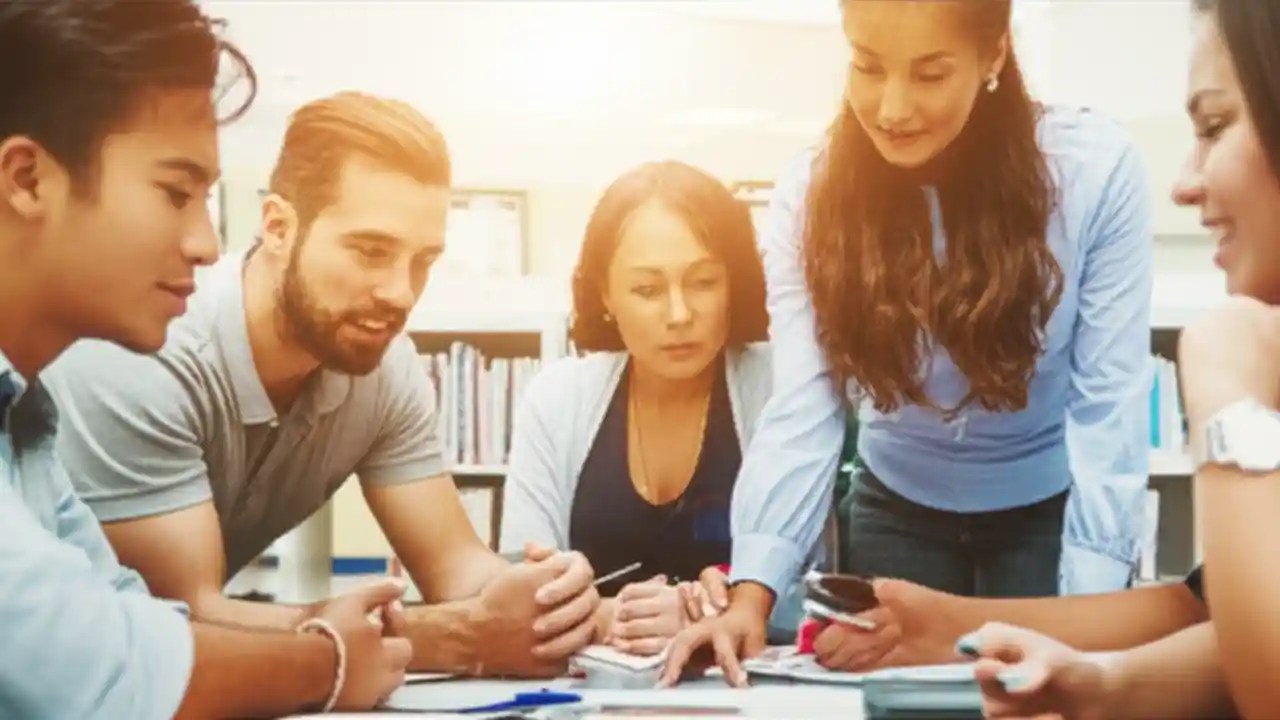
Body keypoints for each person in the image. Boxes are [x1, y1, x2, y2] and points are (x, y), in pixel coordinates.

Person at [664, 0, 1154, 686]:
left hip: (1044, 517)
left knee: (1038, 697)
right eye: (867, 66)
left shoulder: (1092, 171)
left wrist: (1091, 615)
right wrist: (753, 592)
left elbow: (1111, 412)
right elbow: (804, 408)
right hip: (895, 514)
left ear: (994, 56)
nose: (891, 107)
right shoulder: (812, 193)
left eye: (929, 74)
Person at [41, 90, 600, 678]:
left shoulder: (386, 368)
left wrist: (549, 599)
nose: (401, 292)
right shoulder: (151, 347)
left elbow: (458, 568)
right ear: (278, 228)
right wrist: (446, 637)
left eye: (423, 261)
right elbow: (179, 622)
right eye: (371, 251)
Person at [0, 1, 413, 717]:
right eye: (174, 193)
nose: (206, 245)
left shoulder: (27, 420)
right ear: (28, 179)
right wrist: (330, 659)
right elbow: (104, 666)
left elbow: (135, 616)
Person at [961, 0, 1280, 717]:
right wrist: (1098, 685)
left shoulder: (1239, 359)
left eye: (1215, 127)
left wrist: (1233, 398)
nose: (1184, 183)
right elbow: (1223, 628)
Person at [499, 161, 776, 655]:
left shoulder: (779, 390)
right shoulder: (557, 398)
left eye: (703, 282)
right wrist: (612, 618)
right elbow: (518, 585)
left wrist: (707, 610)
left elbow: (818, 581)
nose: (679, 314)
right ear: (606, 293)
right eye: (647, 290)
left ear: (734, 282)